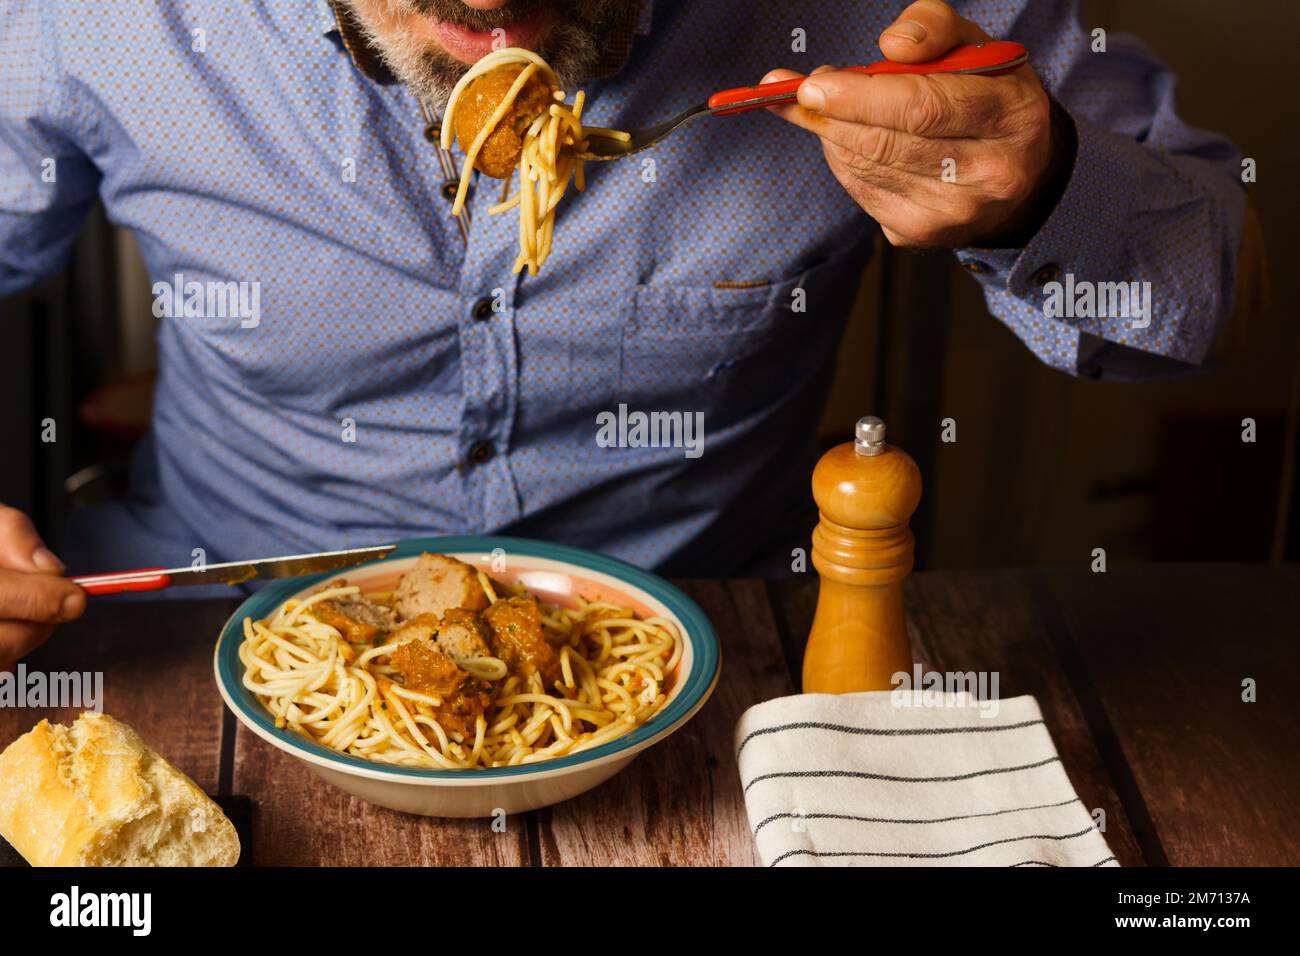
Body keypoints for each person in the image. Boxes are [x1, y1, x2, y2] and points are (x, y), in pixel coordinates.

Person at [0, 0, 1247, 670]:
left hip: (707, 653)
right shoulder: (102, 22)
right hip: (204, 627)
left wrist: (1041, 186)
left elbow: (1206, 295)